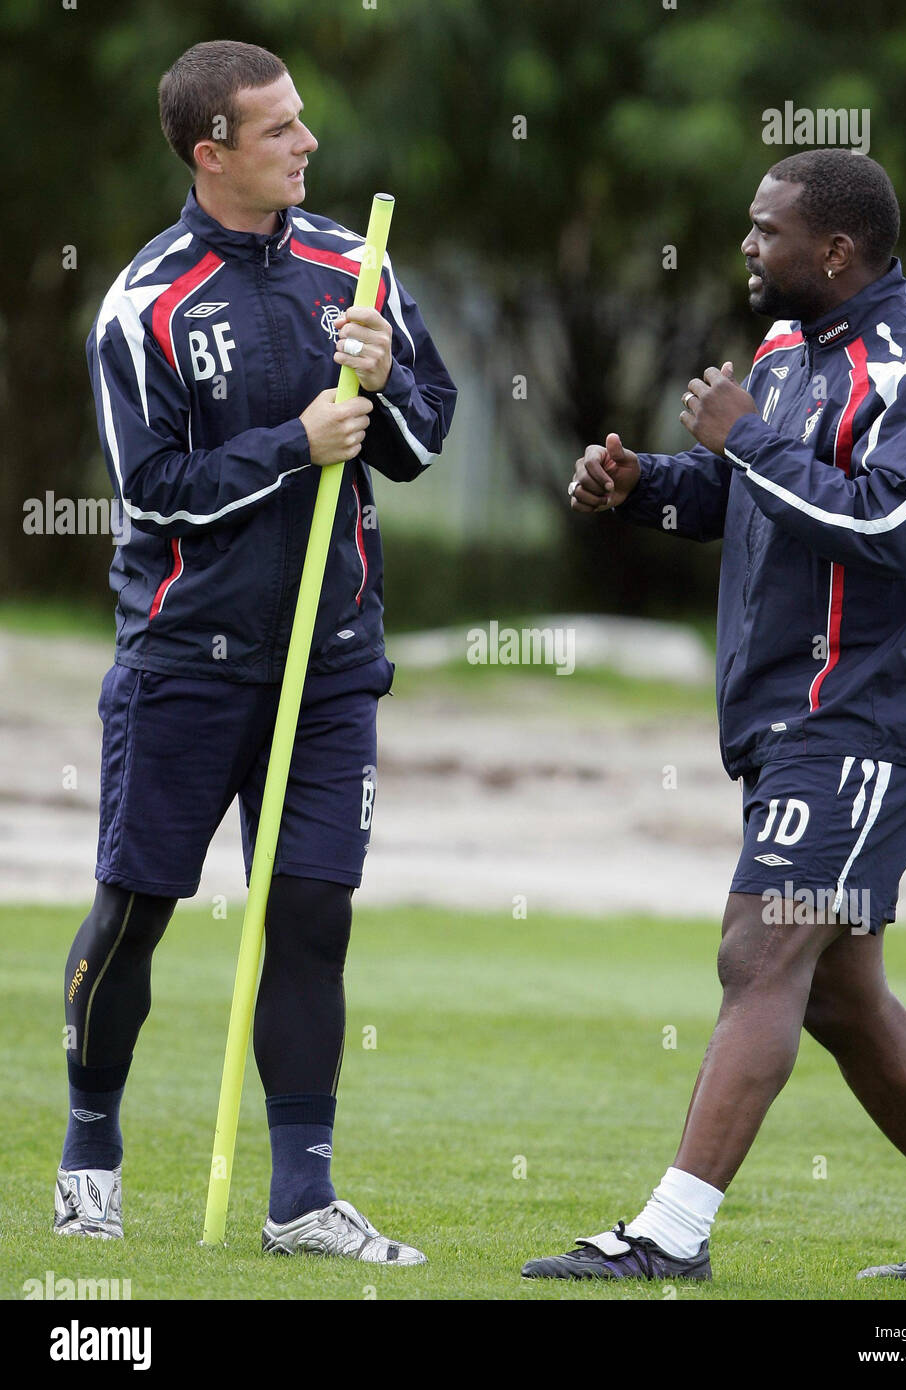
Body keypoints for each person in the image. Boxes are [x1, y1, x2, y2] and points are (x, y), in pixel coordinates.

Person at [522, 149, 906, 1286]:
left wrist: (745, 436)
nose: (747, 249)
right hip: (788, 716)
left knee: (758, 952)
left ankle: (668, 1235)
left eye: (765, 232)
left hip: (866, 715)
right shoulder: (783, 353)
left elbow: (899, 529)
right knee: (841, 996)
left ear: (835, 251)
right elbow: (748, 493)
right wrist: (648, 481)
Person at [55, 40, 456, 1264]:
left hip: (331, 659)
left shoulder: (356, 263)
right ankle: (89, 1155)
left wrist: (384, 389)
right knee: (136, 909)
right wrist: (297, 441)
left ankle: (303, 1198)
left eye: (303, 122)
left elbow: (424, 439)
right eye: (278, 129)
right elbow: (153, 488)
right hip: (185, 658)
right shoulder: (146, 304)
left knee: (313, 910)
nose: (307, 143)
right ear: (209, 150)